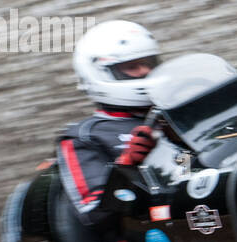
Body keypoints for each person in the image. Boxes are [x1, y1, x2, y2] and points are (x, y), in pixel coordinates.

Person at [58, 20, 162, 227]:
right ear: (100, 73)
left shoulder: (174, 114)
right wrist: (127, 164)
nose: (145, 72)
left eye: (149, 63)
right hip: (147, 236)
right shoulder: (83, 137)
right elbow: (94, 213)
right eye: (132, 66)